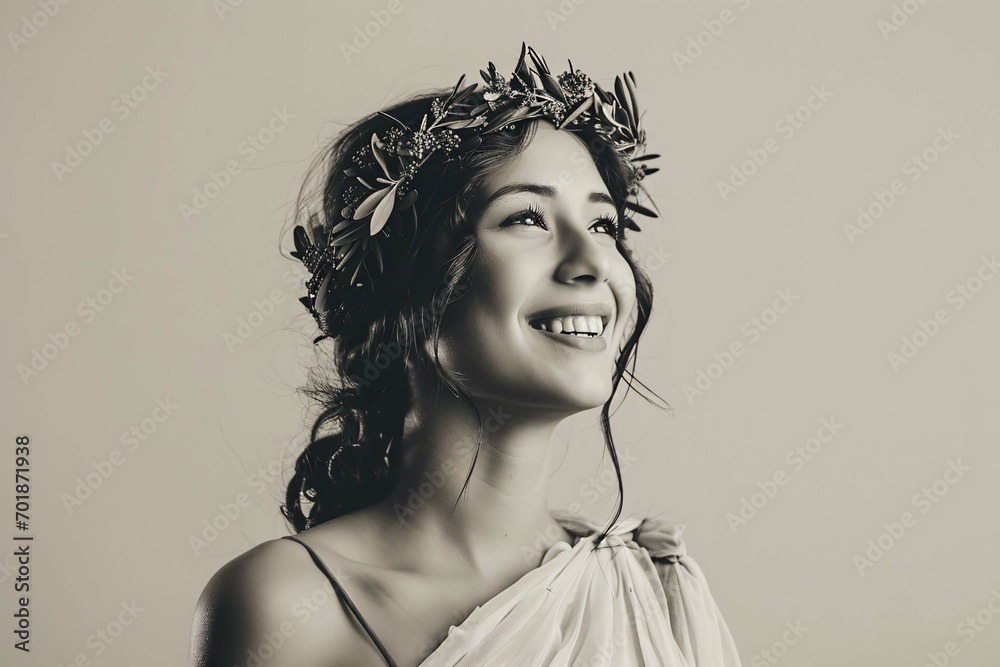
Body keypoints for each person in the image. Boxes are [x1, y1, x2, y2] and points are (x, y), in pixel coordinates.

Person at [188, 43, 742, 667]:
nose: (593, 265)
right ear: (406, 286)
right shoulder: (287, 606)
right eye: (527, 218)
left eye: (604, 225)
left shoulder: (656, 585)